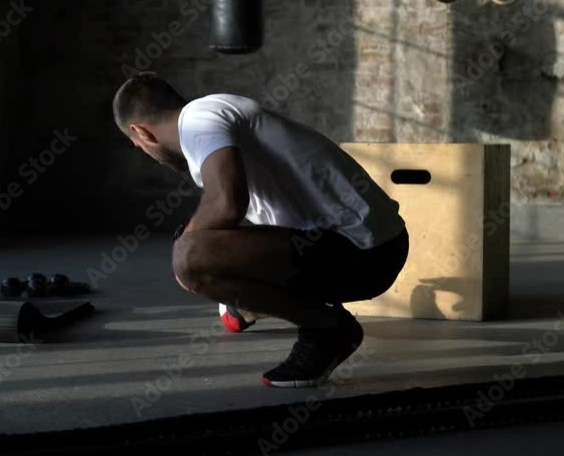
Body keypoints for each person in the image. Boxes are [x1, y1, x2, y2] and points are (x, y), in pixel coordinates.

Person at [112, 72, 409, 388]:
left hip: (365, 252)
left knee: (191, 258)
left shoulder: (199, 117)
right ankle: (249, 307)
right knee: (203, 256)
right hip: (356, 247)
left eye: (137, 145)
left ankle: (328, 328)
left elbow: (227, 204)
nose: (146, 153)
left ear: (141, 133)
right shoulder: (212, 124)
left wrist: (186, 252)